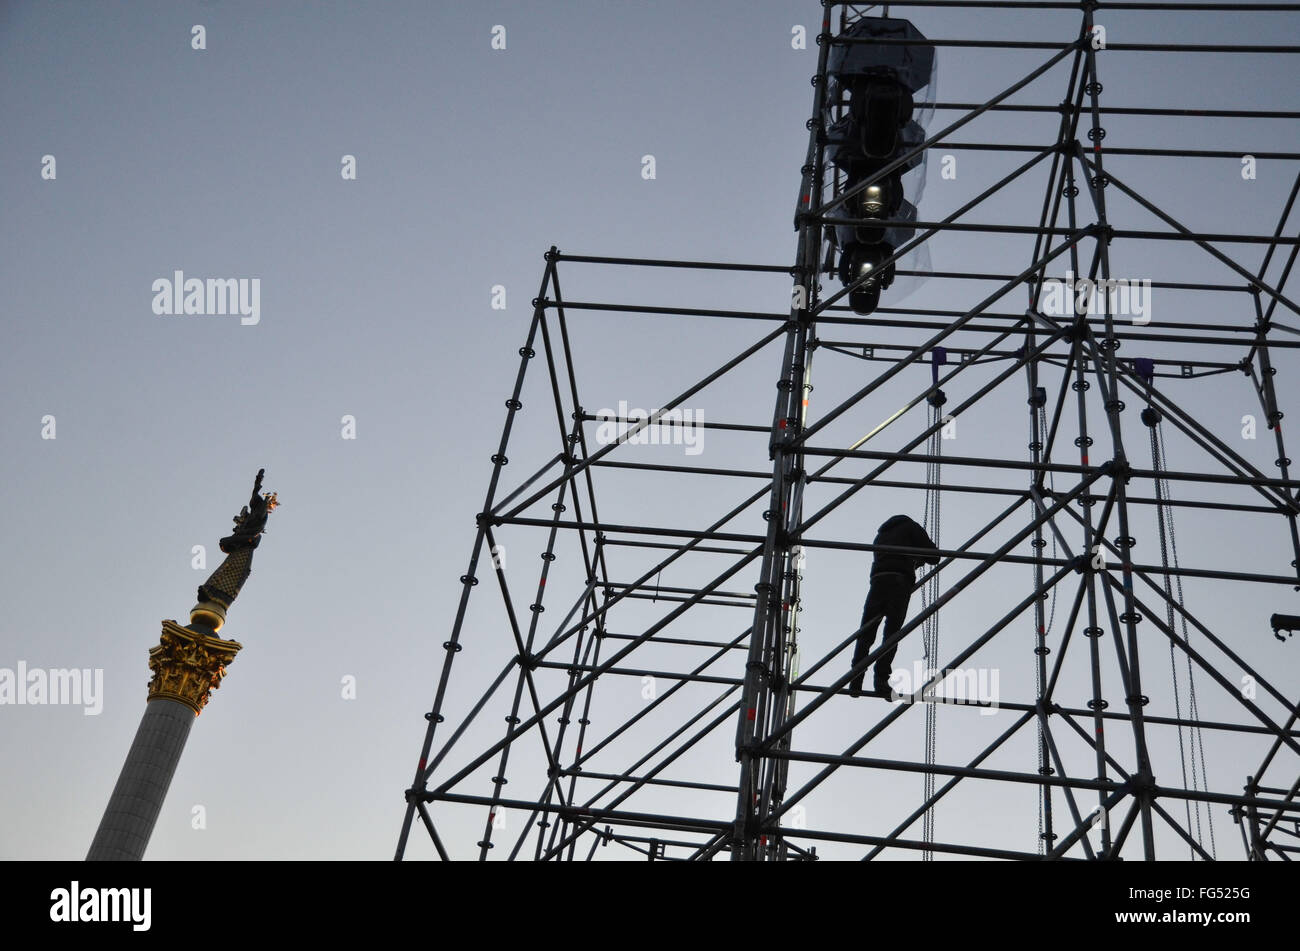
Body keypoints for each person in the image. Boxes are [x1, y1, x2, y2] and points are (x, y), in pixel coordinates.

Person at [849, 514, 940, 696]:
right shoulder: (911, 527)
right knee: (891, 633)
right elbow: (934, 556)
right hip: (899, 581)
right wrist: (918, 557)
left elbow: (893, 556)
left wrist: (912, 558)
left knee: (866, 631)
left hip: (878, 581)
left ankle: (855, 678)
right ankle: (881, 680)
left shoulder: (881, 535)